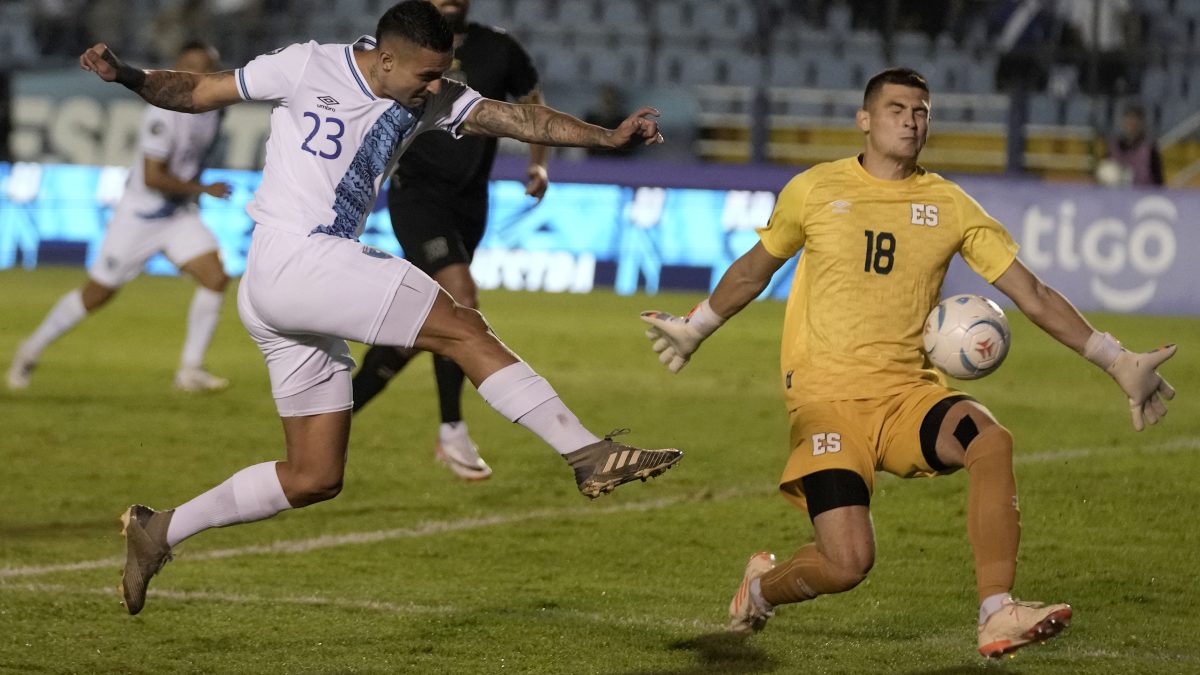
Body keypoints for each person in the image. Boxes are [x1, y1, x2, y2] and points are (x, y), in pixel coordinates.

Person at [81, 0, 682, 616]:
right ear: (386, 59)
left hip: (282, 285)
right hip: (300, 257)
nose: (436, 86)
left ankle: (160, 530)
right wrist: (128, 75)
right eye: (427, 74)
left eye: (442, 73)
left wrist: (605, 136)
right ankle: (587, 454)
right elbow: (198, 91)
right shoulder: (306, 65)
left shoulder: (431, 95)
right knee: (462, 327)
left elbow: (517, 117)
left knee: (315, 476)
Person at [641, 68, 1176, 658]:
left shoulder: (950, 205)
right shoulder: (815, 189)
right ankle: (761, 589)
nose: (910, 120)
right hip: (826, 402)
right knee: (848, 563)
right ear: (864, 120)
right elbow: (753, 270)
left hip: (908, 397)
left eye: (921, 111)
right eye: (896, 109)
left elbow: (1033, 294)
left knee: (989, 439)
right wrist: (696, 326)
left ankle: (997, 611)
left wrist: (1115, 359)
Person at [351, 0, 550, 481]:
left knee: (420, 328)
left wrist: (538, 163)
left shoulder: (498, 47)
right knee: (460, 298)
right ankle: (452, 430)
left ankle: (339, 410)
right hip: (417, 195)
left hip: (471, 202)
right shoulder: (402, 45)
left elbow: (533, 104)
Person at [7, 40, 232, 393]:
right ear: (177, 67)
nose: (200, 73)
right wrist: (203, 189)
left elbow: (190, 161)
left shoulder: (214, 111)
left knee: (215, 277)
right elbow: (153, 177)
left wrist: (195, 195)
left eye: (207, 67)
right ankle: (30, 350)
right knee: (97, 294)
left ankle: (190, 370)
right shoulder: (163, 113)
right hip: (140, 216)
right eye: (192, 65)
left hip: (177, 215)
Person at [1105, 104, 1164, 187]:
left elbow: (1158, 180)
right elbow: (1105, 171)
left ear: (1142, 123)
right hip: (1117, 192)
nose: (1131, 123)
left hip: (1143, 192)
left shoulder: (1150, 148)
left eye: (1135, 120)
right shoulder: (1113, 147)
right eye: (1128, 119)